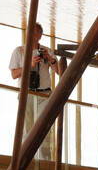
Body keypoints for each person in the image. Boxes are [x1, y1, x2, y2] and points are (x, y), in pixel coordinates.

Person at [9, 23, 61, 160]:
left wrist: (50, 59)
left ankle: (45, 161)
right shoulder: (19, 51)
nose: (33, 35)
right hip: (27, 93)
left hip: (44, 94)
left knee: (44, 129)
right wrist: (29, 64)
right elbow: (14, 75)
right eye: (31, 32)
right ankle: (25, 160)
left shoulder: (47, 51)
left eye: (36, 32)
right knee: (26, 128)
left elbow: (61, 72)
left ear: (40, 35)